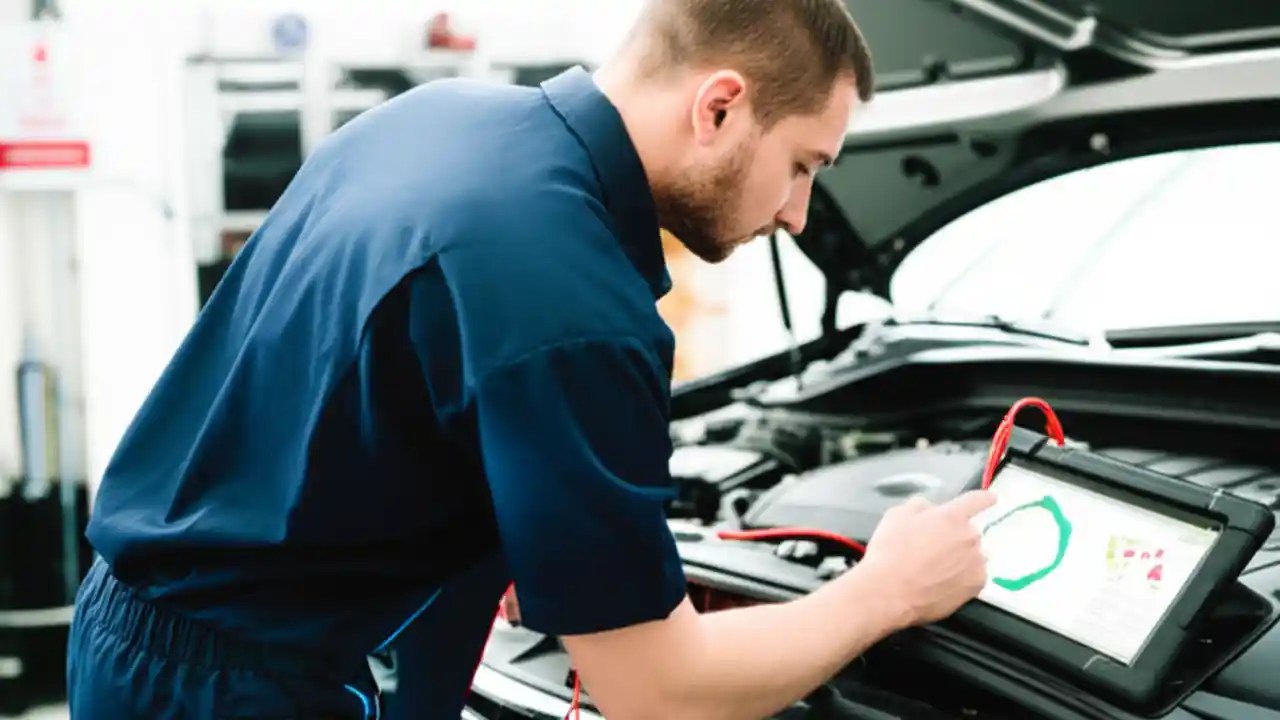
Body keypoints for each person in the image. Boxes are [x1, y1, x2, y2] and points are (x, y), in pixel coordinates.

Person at [66, 0, 995, 718]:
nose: (799, 214)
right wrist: (885, 592)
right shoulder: (571, 298)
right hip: (247, 690)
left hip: (135, 625)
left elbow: (363, 400)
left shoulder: (440, 118)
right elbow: (657, 694)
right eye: (804, 165)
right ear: (720, 106)